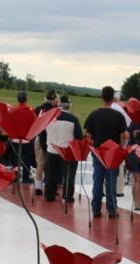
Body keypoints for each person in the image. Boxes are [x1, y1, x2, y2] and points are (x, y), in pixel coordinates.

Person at [84, 85, 128, 218]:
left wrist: (93, 144)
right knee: (111, 182)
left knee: (97, 180)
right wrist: (121, 149)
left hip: (98, 153)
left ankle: (96, 208)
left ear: (102, 97)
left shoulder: (94, 114)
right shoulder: (118, 116)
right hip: (113, 154)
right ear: (113, 98)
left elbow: (88, 135)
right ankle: (112, 209)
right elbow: (124, 135)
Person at [42, 96, 82, 204]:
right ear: (69, 105)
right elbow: (79, 137)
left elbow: (42, 133)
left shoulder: (49, 116)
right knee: (69, 175)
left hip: (52, 149)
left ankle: (49, 195)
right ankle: (68, 196)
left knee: (51, 174)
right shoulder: (73, 119)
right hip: (68, 151)